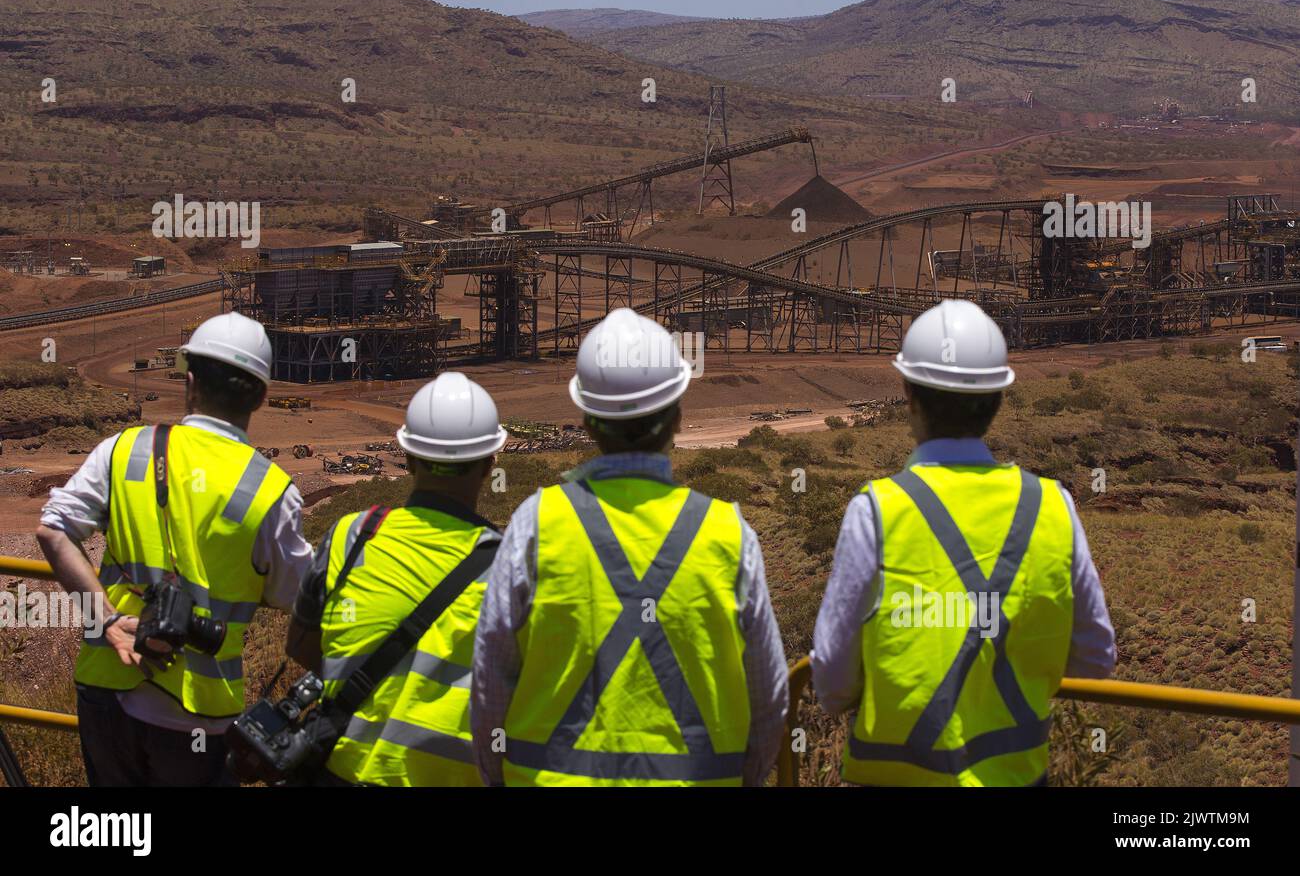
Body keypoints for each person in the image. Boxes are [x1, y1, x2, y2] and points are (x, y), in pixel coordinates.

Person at [472, 307, 787, 787]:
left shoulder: (536, 524)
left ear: (587, 421)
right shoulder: (729, 533)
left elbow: (490, 683)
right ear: (678, 416)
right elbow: (768, 698)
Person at [812, 299, 1116, 786]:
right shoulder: (1052, 507)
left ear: (908, 394)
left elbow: (830, 680)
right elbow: (1096, 660)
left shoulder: (876, 511)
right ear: (997, 400)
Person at [37, 312, 312, 786]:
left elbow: (53, 530)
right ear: (263, 396)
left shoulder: (125, 450)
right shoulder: (271, 491)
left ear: (189, 382)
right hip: (198, 715)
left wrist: (107, 624)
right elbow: (296, 595)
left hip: (106, 691)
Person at [287, 372, 506, 786]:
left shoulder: (353, 535)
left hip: (343, 773)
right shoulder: (511, 565)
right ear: (491, 461)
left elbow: (301, 644)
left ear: (406, 458)